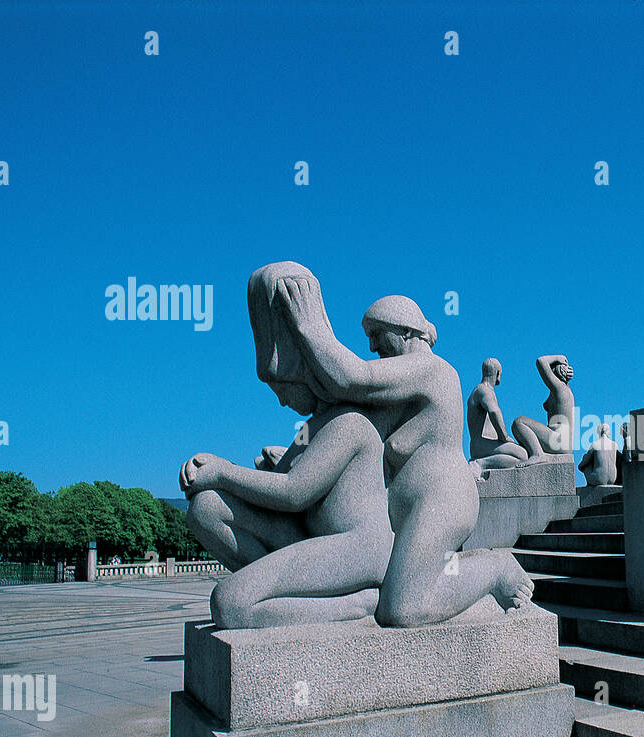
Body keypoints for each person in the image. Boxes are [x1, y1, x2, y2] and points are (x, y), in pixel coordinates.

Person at [274, 267, 534, 627]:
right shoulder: (398, 386)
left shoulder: (434, 370)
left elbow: (353, 378)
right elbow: (341, 408)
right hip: (405, 507)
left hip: (443, 499)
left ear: (406, 330)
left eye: (377, 334)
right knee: (394, 593)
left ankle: (495, 568)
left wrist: (310, 327)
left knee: (403, 607)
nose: (371, 346)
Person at [180, 263, 392, 628]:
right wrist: (271, 466)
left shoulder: (349, 422)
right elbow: (288, 477)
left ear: (306, 369)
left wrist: (224, 471)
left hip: (358, 549)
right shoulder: (310, 428)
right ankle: (277, 591)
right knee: (206, 508)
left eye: (281, 387)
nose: (281, 401)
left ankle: (356, 605)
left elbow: (294, 492)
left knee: (230, 604)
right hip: (316, 539)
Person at [467, 358, 530, 471]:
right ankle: (480, 463)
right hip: (481, 445)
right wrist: (504, 437)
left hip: (485, 445)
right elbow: (494, 411)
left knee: (521, 457)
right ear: (498, 374)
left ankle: (482, 462)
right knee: (522, 455)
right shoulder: (484, 390)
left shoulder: (481, 390)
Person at [511, 355, 576, 463]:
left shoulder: (560, 389)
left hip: (559, 440)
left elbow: (541, 361)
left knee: (519, 422)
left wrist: (559, 358)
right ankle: (536, 453)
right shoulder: (561, 391)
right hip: (561, 441)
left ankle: (538, 454)